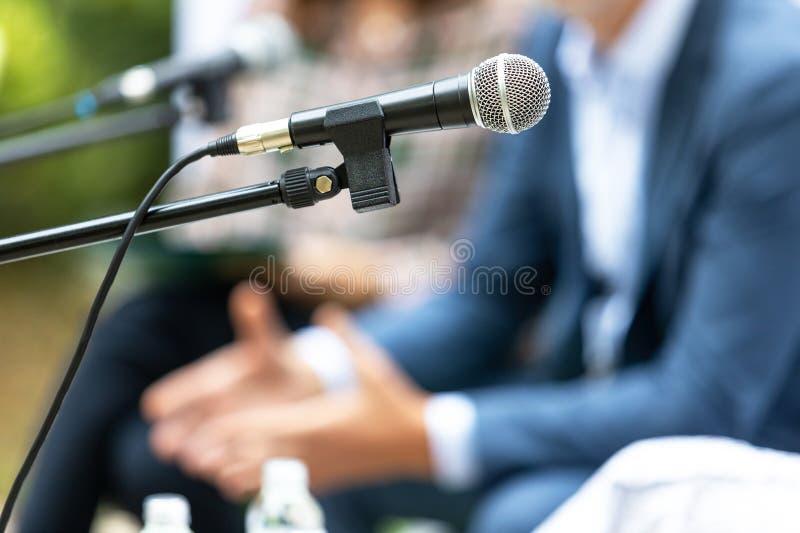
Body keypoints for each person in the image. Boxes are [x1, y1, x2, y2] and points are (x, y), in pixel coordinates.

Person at [139, 0, 800, 532]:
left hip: (746, 447)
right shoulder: (551, 48)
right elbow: (487, 296)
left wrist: (424, 434)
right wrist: (315, 369)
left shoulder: (772, 78)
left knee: (521, 513)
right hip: (586, 407)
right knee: (284, 460)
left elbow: (707, 400)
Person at [16, 1, 525, 532]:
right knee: (141, 326)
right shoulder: (282, 32)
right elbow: (218, 188)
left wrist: (350, 270)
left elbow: (494, 262)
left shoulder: (498, 47)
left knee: (146, 455)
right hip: (259, 293)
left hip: (383, 320)